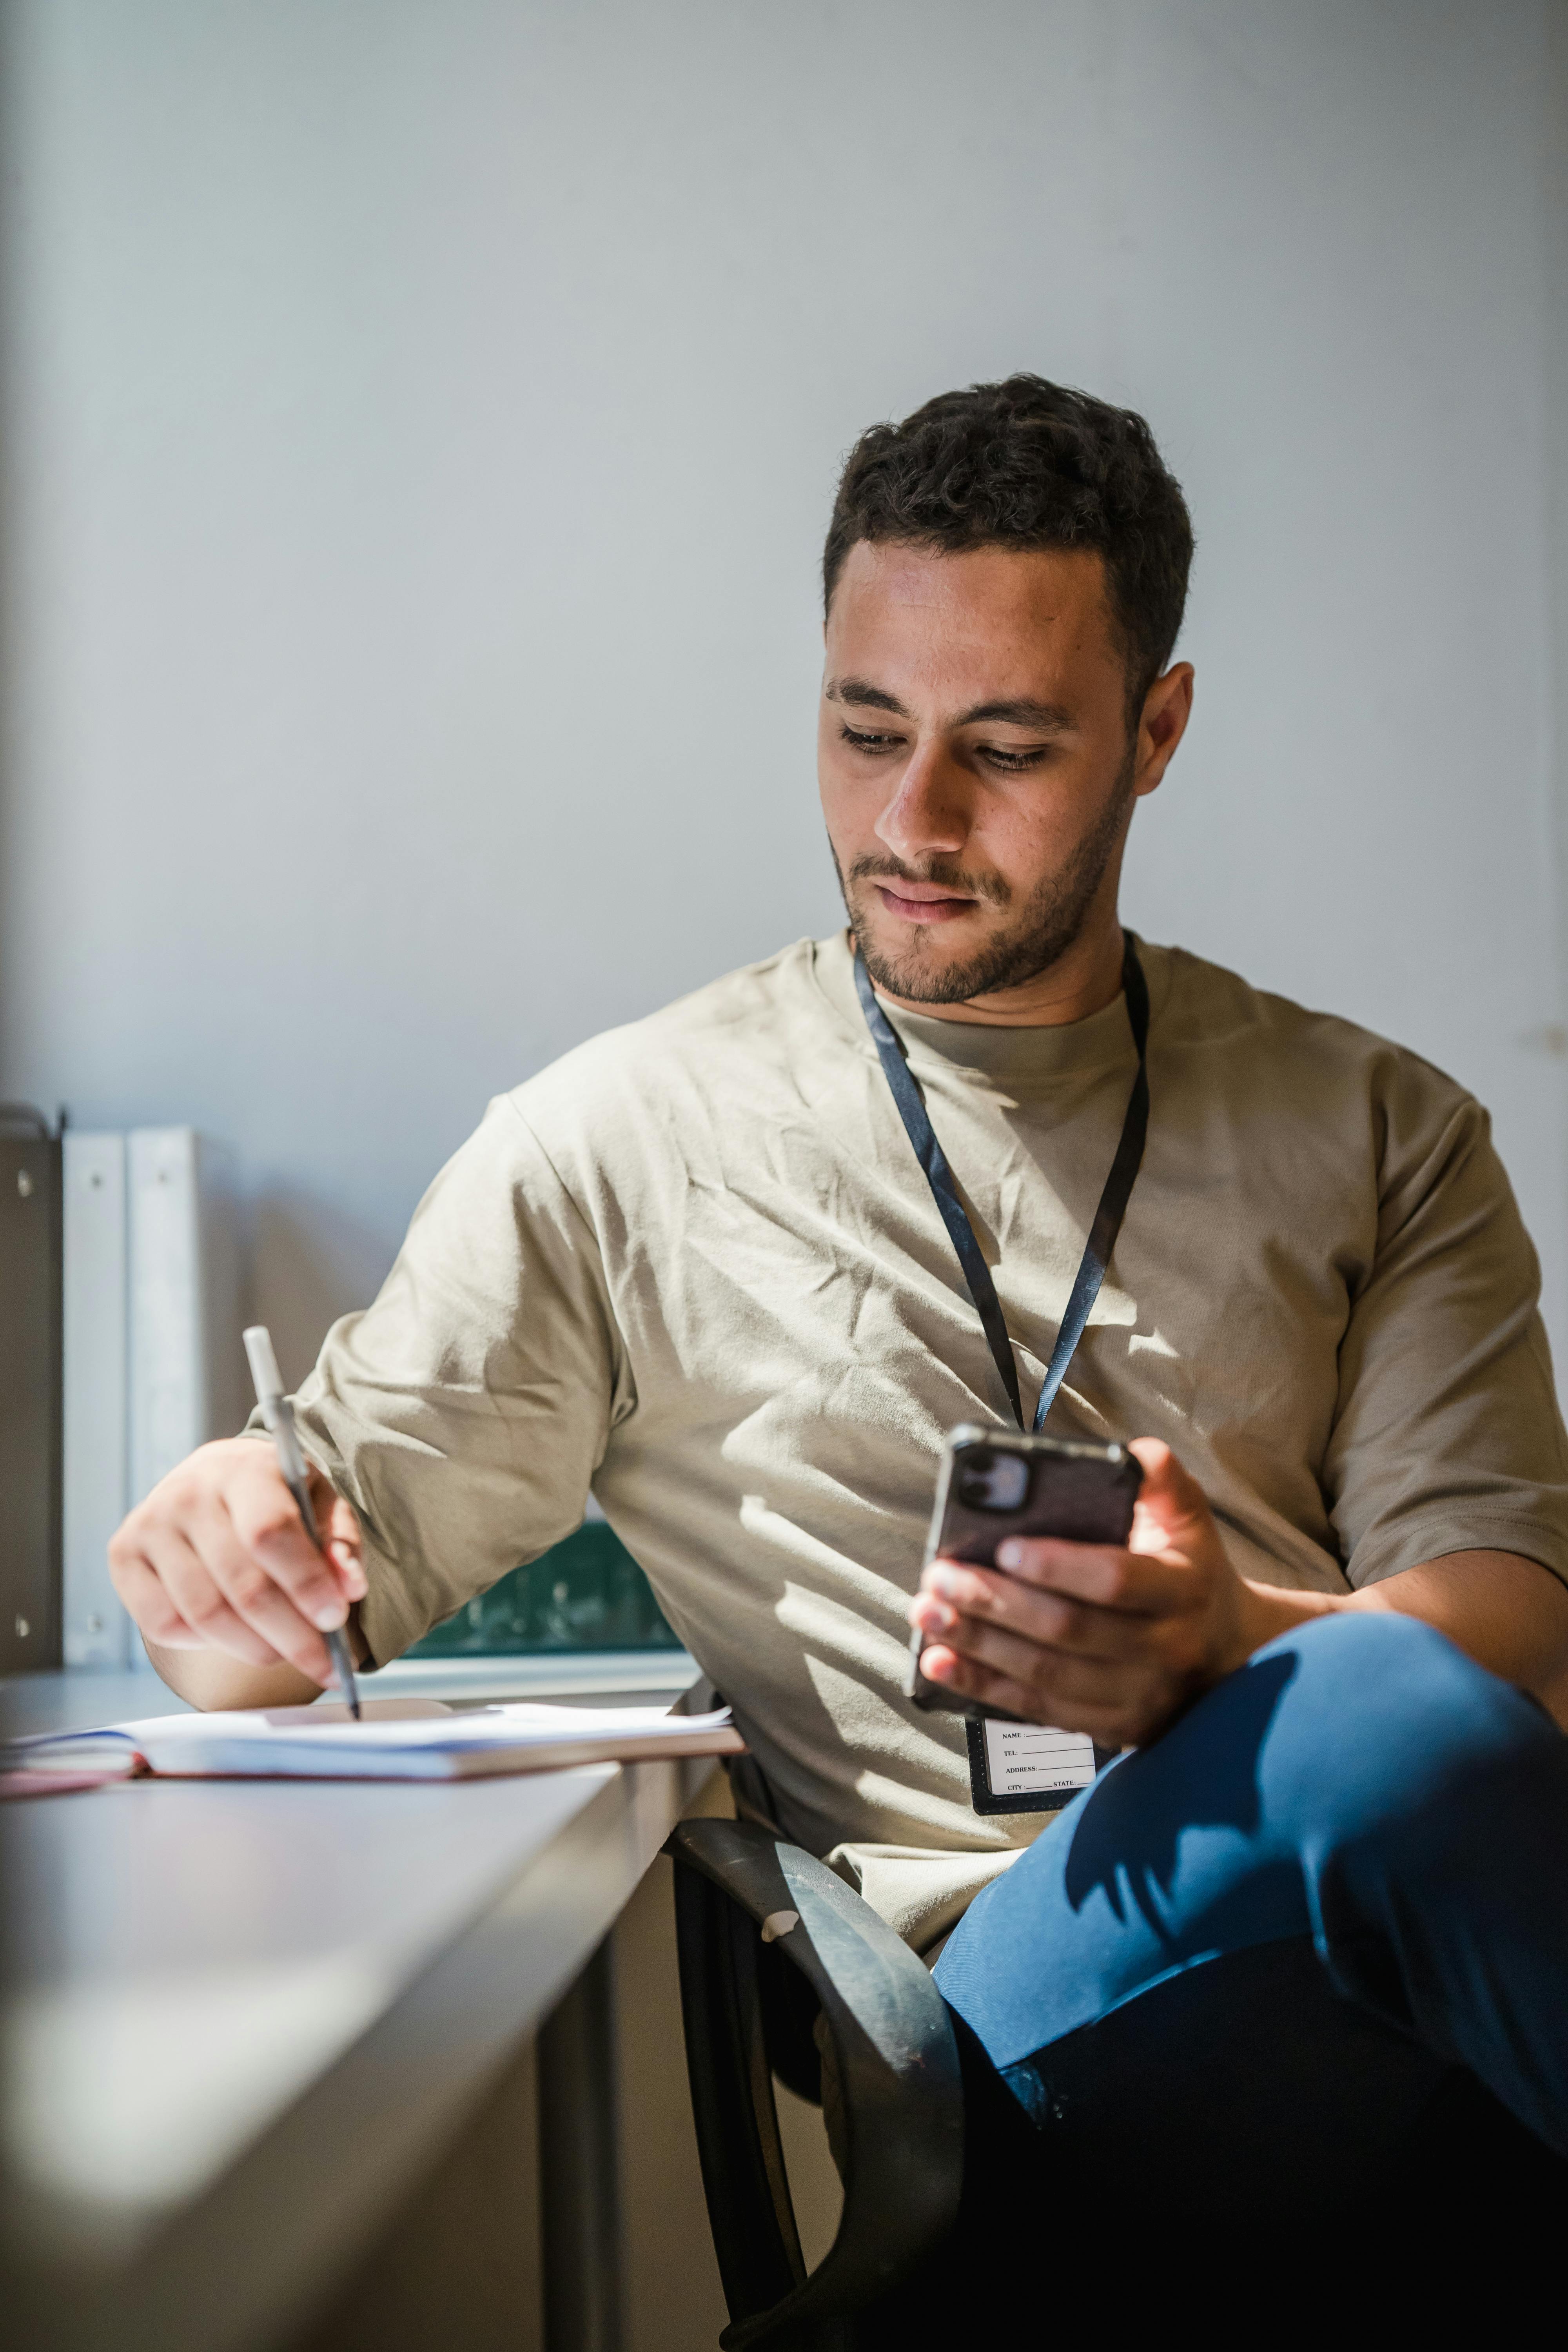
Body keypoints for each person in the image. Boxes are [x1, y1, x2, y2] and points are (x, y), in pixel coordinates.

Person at [109, 376, 1568, 2203]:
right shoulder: (616, 1145)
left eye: (1009, 749)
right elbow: (258, 1638)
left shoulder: (1380, 1130)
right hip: (995, 2023)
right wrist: (210, 1550)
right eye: (863, 728)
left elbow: (1513, 1630)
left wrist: (1237, 1648)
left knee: (1375, 1726)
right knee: (1371, 1723)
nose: (915, 818)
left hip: (1403, 1961)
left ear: (1157, 728)